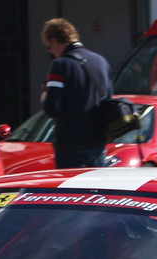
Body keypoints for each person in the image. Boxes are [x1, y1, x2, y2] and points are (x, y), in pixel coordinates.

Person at [40, 17, 113, 169]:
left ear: (54, 40)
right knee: (96, 190)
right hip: (97, 143)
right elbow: (109, 97)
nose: (50, 52)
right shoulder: (101, 61)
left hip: (70, 145)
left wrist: (45, 96)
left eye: (49, 46)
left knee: (72, 191)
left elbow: (52, 108)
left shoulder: (60, 65)